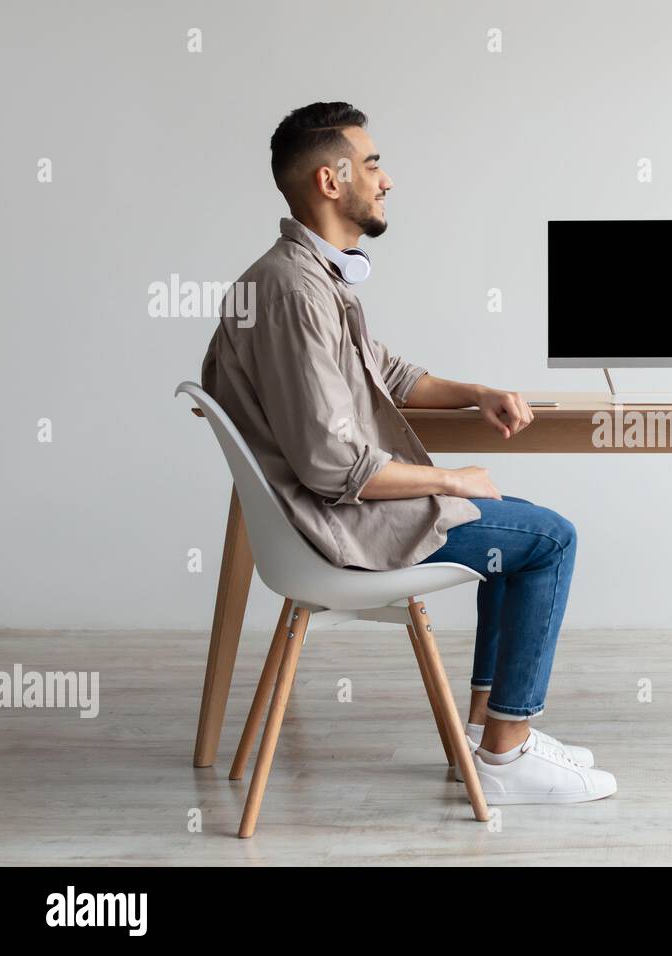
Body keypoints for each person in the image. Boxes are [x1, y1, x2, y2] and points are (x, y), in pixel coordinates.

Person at [200, 102, 615, 805]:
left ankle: (488, 736)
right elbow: (333, 466)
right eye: (371, 163)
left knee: (522, 523)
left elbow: (385, 373)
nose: (386, 180)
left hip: (332, 513)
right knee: (551, 538)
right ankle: (507, 757)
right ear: (330, 181)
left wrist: (473, 391)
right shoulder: (295, 294)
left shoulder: (307, 278)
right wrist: (453, 476)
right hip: (335, 526)